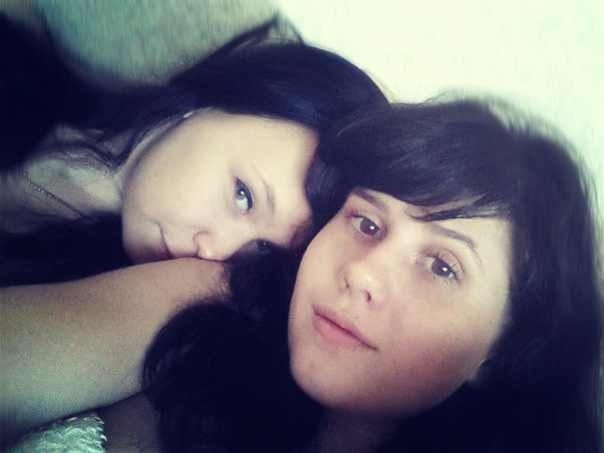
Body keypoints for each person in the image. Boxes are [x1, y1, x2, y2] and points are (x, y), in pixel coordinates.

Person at [0, 19, 388, 441]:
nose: (213, 252)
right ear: (215, 103)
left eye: (260, 249)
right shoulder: (22, 69)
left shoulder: (122, 306)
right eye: (244, 196)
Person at [141, 99, 603, 453]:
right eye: (366, 223)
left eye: (442, 266)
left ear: (503, 350)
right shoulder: (200, 314)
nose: (362, 272)